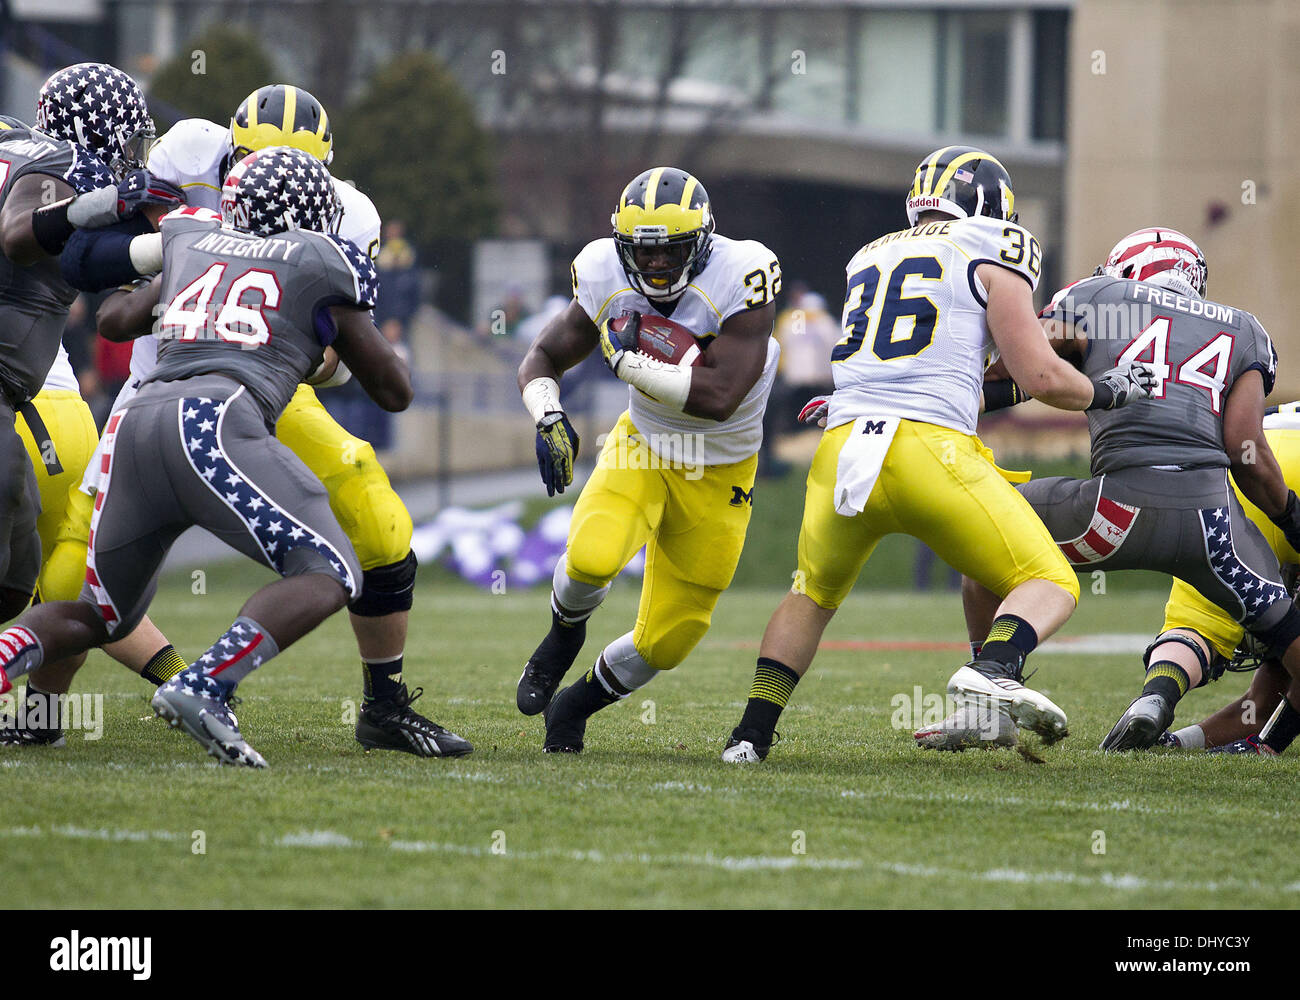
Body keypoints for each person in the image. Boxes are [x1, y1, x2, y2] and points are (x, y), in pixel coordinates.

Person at [31, 85, 471, 758]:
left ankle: (384, 705)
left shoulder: (350, 217)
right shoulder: (186, 155)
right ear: (229, 151)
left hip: (267, 380)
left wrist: (318, 358)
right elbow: (106, 276)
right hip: (164, 371)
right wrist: (158, 257)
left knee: (373, 508)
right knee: (73, 568)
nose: (270, 183)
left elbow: (337, 353)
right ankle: (39, 712)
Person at [720, 146, 1155, 762]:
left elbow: (936, 370)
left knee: (811, 596)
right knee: (1047, 580)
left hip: (843, 449)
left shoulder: (870, 254)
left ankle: (750, 737)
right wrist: (1106, 389)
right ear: (991, 205)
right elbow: (1042, 375)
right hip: (929, 453)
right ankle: (995, 671)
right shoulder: (994, 245)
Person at [955, 227, 1300, 754]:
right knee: (1290, 644)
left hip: (1112, 513)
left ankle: (991, 689)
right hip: (1214, 531)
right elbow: (1245, 449)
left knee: (983, 548)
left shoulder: (1098, 299)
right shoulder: (1246, 330)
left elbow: (1023, 365)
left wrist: (958, 396)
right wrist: (1292, 519)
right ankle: (1259, 740)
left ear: (1128, 268)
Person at [516, 165, 781, 753]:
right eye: (644, 252)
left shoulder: (744, 273)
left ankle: (576, 703)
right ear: (622, 246)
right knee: (589, 557)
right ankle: (563, 636)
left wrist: (627, 363)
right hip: (646, 445)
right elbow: (542, 356)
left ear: (704, 241)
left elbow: (720, 397)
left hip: (722, 466)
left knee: (670, 639)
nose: (657, 266)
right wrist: (548, 414)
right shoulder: (602, 271)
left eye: (672, 252)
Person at [0, 65, 180, 648]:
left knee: (18, 569)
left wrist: (167, 251)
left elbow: (92, 261)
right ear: (98, 127)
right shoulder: (59, 163)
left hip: (12, 390)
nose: (134, 154)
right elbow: (19, 234)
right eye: (129, 137)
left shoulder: (15, 142)